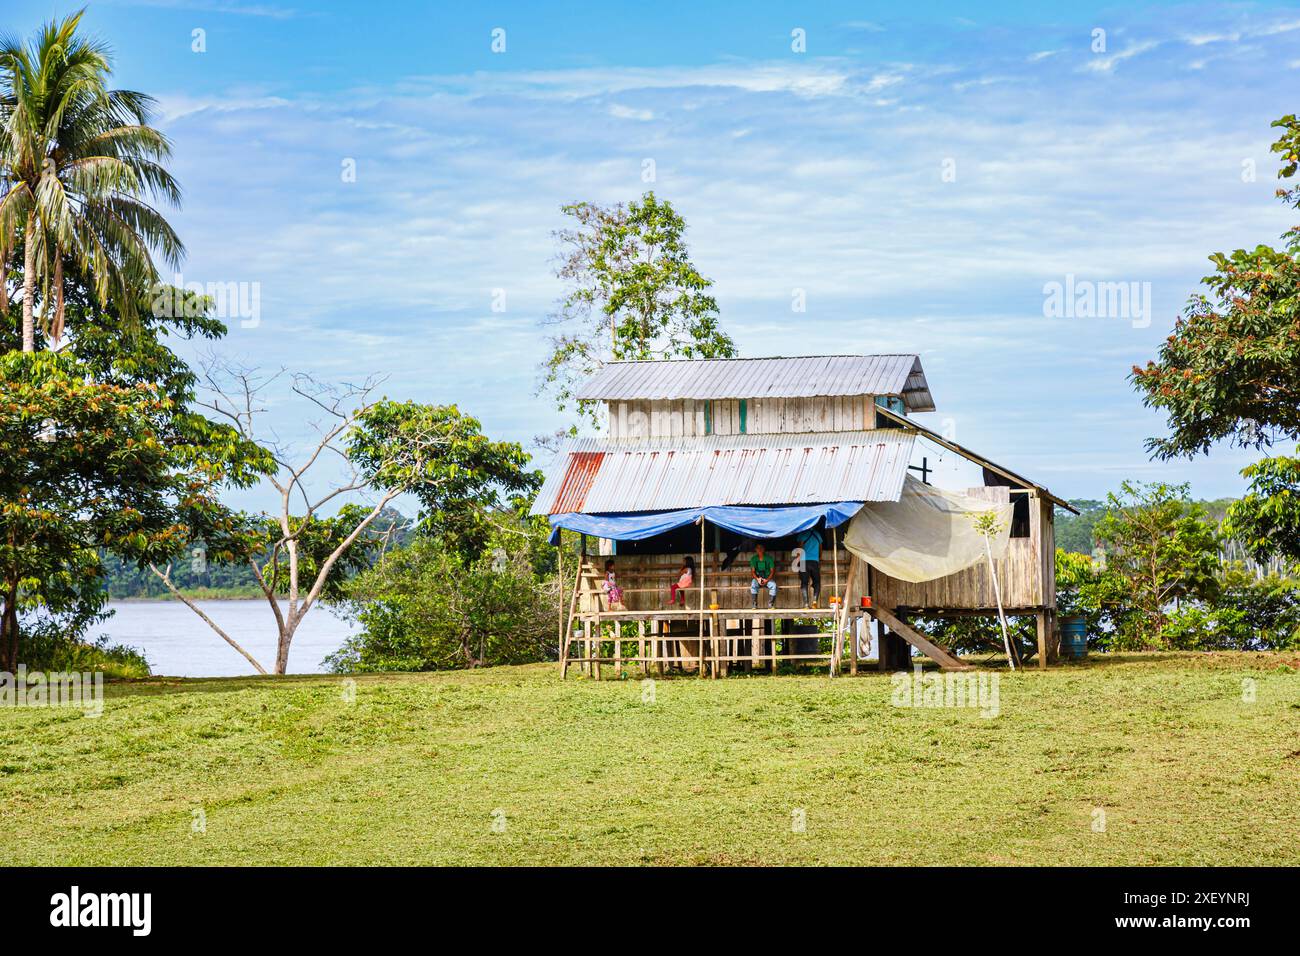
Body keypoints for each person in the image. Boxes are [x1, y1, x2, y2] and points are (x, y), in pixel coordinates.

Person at [795, 526, 822, 608]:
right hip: (815, 561)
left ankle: (806, 604)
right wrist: (818, 558)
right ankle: (814, 602)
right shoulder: (818, 535)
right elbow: (820, 549)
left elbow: (800, 548)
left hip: (803, 562)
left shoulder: (802, 534)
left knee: (804, 583)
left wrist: (797, 560)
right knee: (817, 582)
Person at [750, 542, 777, 609]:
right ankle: (754, 604)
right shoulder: (754, 559)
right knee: (753, 584)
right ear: (755, 549)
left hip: (767, 578)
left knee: (773, 585)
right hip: (758, 578)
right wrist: (758, 579)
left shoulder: (769, 558)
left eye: (761, 548)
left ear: (764, 549)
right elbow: (753, 572)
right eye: (758, 548)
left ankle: (771, 604)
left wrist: (767, 580)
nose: (759, 549)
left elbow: (772, 571)